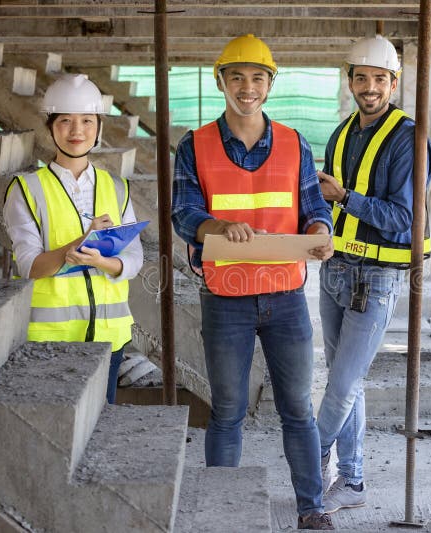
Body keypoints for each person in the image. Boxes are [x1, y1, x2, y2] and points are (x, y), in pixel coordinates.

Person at [170, 34, 335, 530]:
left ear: (270, 84)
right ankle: (222, 512)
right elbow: (183, 212)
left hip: (285, 296)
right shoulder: (193, 144)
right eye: (237, 77)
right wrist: (217, 226)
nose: (247, 87)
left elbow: (313, 207)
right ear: (221, 80)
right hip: (225, 298)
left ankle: (312, 509)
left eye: (258, 78)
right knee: (226, 410)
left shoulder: (293, 143)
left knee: (298, 410)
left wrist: (321, 230)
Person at [315, 35, 431, 514]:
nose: (370, 87)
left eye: (379, 79)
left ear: (393, 83)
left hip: (377, 276)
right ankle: (353, 482)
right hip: (336, 269)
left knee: (342, 386)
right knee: (349, 385)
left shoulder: (409, 138)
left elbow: (404, 218)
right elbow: (322, 201)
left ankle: (308, 458)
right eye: (361, 78)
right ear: (350, 82)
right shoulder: (342, 133)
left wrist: (345, 198)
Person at [3, 74, 143, 405]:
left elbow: (134, 258)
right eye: (65, 120)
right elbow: (28, 265)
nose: (77, 131)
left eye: (86, 121)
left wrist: (102, 261)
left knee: (99, 432)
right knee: (54, 432)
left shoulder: (117, 187)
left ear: (98, 126)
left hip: (110, 336)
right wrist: (75, 247)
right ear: (51, 127)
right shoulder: (26, 189)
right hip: (50, 340)